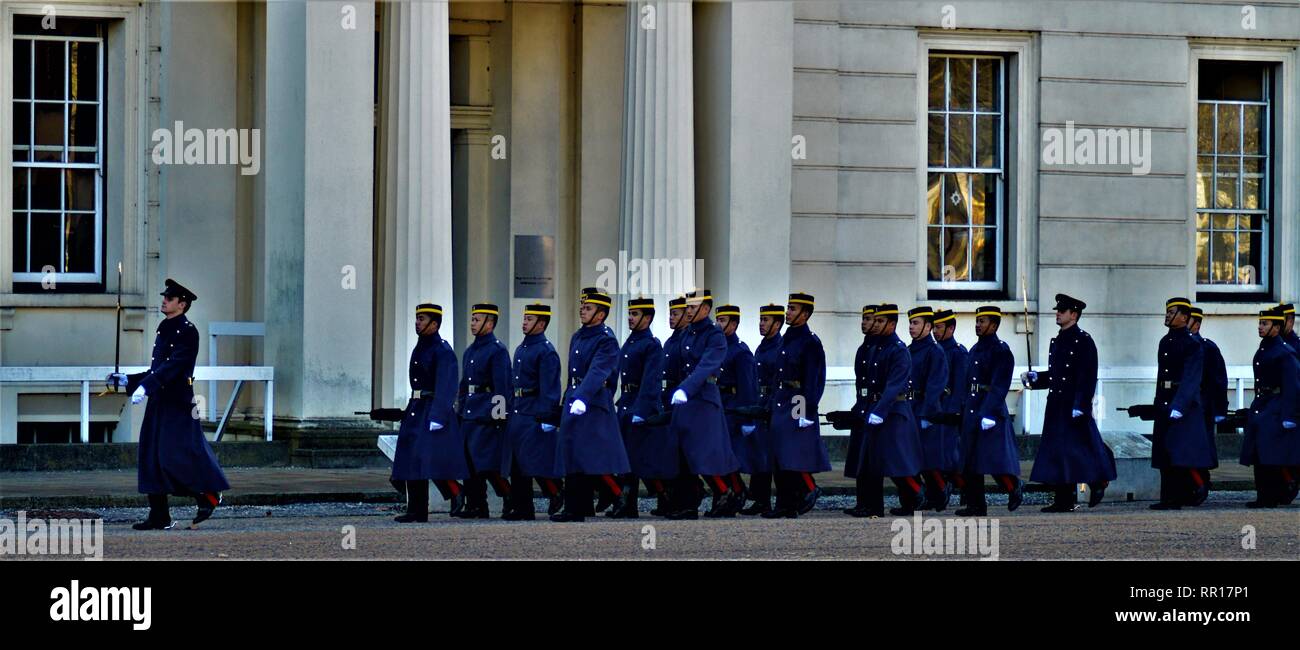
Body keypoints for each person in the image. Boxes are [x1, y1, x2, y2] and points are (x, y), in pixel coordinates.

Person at [109, 279, 229, 530]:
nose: (164, 300)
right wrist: (129, 380)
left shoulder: (188, 331)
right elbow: (157, 369)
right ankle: (159, 514)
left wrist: (145, 387)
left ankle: (207, 494)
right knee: (151, 456)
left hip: (178, 404)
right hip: (160, 402)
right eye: (165, 297)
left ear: (182, 304)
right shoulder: (165, 327)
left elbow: (173, 367)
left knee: (176, 455)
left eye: (170, 298)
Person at [1021, 294, 1116, 512]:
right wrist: (1036, 379)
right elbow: (1056, 375)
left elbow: (1087, 376)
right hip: (1056, 404)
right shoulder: (1057, 341)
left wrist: (1080, 405)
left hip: (1074, 405)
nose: (1057, 313)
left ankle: (1098, 481)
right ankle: (1063, 499)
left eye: (1062, 311)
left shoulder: (1083, 340)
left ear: (1073, 315)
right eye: (1057, 310)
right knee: (1058, 453)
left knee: (1082, 450)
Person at [551, 290, 631, 522]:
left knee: (584, 453)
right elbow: (573, 374)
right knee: (573, 452)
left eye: (588, 308)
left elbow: (598, 371)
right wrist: (567, 400)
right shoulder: (578, 336)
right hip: (576, 398)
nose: (582, 311)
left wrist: (583, 398)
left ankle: (575, 508)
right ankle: (582, 505)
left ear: (601, 314)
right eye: (582, 307)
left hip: (592, 402)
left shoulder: (606, 339)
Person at [389, 303, 470, 522]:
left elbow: (447, 385)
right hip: (417, 408)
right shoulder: (421, 346)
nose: (417, 322)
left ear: (434, 324)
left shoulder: (442, 350)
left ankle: (452, 494)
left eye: (422, 319)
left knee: (425, 460)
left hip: (431, 409)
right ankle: (415, 510)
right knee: (411, 460)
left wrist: (438, 415)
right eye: (417, 318)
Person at [666, 289, 741, 519]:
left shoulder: (714, 335)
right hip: (685, 401)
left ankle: (725, 492)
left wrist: (685, 389)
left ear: (705, 309)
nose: (688, 311)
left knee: (704, 452)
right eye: (687, 307)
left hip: (704, 400)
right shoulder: (687, 334)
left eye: (692, 307)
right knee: (682, 453)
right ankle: (687, 504)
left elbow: (707, 366)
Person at [762, 292, 832, 518]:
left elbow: (813, 379)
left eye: (793, 309)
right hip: (782, 400)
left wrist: (806, 411)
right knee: (779, 457)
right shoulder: (786, 338)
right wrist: (772, 403)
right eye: (788, 308)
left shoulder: (809, 341)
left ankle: (797, 498)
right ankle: (784, 505)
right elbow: (777, 375)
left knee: (791, 455)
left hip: (796, 402)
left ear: (806, 313)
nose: (788, 312)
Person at [855, 304, 927, 517]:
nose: (874, 325)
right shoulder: (878, 348)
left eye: (879, 321)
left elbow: (894, 384)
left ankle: (917, 493)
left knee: (896, 460)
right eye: (874, 321)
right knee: (872, 460)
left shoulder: (898, 349)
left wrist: (880, 410)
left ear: (892, 323)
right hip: (876, 408)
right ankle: (873, 506)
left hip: (893, 410)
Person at [954, 306, 1023, 515]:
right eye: (977, 321)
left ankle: (1014, 486)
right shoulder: (975, 349)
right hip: (973, 407)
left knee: (992, 458)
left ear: (994, 325)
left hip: (989, 408)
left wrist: (990, 413)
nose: (978, 324)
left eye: (982, 321)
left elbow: (999, 385)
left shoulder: (1000, 350)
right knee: (971, 460)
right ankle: (976, 505)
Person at [1148, 297, 1214, 510]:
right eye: (1167, 312)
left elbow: (1191, 378)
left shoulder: (1192, 343)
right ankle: (1167, 497)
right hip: (1165, 399)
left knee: (1178, 451)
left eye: (1173, 312)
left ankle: (1180, 495)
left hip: (1182, 405)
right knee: (1163, 451)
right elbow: (1162, 375)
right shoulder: (1165, 341)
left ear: (1184, 317)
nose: (1168, 315)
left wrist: (1179, 406)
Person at [504, 304, 563, 520]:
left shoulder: (546, 351)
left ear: (541, 323)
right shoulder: (522, 348)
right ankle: (523, 508)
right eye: (525, 317)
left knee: (532, 461)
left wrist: (547, 416)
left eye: (529, 319)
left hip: (534, 411)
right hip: (519, 409)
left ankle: (556, 492)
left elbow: (550, 387)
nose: (524, 322)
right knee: (517, 463)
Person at [456, 303, 514, 518]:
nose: (473, 323)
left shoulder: (497, 350)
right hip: (470, 411)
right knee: (469, 462)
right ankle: (476, 505)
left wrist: (499, 415)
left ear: (490, 323)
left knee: (487, 464)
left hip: (487, 412)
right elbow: (464, 384)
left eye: (477, 319)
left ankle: (509, 497)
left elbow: (502, 386)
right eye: (472, 319)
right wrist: (461, 408)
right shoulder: (470, 350)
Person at [611, 296, 667, 518]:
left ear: (648, 317)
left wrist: (642, 410)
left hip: (639, 404)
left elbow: (650, 380)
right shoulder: (631, 341)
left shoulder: (651, 344)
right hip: (626, 401)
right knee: (627, 457)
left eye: (635, 314)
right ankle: (628, 504)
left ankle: (661, 498)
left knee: (641, 459)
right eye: (630, 314)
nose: (630, 318)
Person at [1240, 307, 1299, 508]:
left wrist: (1289, 415)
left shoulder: (1284, 352)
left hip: (1275, 404)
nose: (1260, 327)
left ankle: (1271, 496)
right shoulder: (1265, 348)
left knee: (1270, 453)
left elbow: (1292, 386)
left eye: (1264, 324)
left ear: (1276, 326)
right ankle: (1263, 495)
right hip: (1262, 403)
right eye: (1260, 323)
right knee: (1259, 452)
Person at [739, 303, 785, 515]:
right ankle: (760, 500)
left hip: (772, 404)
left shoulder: (779, 347)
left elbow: (779, 380)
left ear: (777, 323)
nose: (761, 324)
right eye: (761, 319)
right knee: (760, 455)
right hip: (761, 402)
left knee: (772, 457)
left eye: (766, 320)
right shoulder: (762, 346)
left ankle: (779, 502)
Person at [714, 304, 759, 516]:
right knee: (719, 455)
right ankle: (730, 494)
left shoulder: (740, 350)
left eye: (723, 321)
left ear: (733, 324)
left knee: (728, 456)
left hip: (733, 407)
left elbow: (748, 387)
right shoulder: (717, 347)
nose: (718, 324)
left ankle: (737, 492)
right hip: (719, 405)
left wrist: (748, 419)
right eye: (718, 320)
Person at [907, 306, 951, 510]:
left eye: (916, 323)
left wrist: (927, 413)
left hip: (925, 408)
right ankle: (919, 498)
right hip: (909, 406)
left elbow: (935, 385)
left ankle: (939, 492)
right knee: (912, 456)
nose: (911, 327)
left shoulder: (935, 351)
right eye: (910, 323)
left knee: (927, 458)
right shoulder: (909, 349)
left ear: (928, 326)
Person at [843, 305, 884, 517]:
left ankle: (874, 504)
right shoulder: (864, 348)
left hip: (876, 409)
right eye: (865, 318)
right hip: (863, 405)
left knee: (872, 460)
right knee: (860, 457)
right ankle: (862, 502)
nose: (865, 323)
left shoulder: (882, 348)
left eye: (870, 319)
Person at [931, 309, 970, 495]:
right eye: (933, 327)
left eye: (939, 327)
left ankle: (965, 490)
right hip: (935, 407)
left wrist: (954, 411)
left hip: (949, 408)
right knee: (933, 454)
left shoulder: (958, 353)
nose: (935, 331)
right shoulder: (934, 350)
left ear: (951, 328)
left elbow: (960, 385)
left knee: (950, 455)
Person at [1188, 306, 1225, 497]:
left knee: (1200, 445)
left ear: (1197, 323)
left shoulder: (1208, 347)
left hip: (1203, 404)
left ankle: (1201, 480)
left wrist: (1220, 408)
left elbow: (1218, 379)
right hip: (1187, 403)